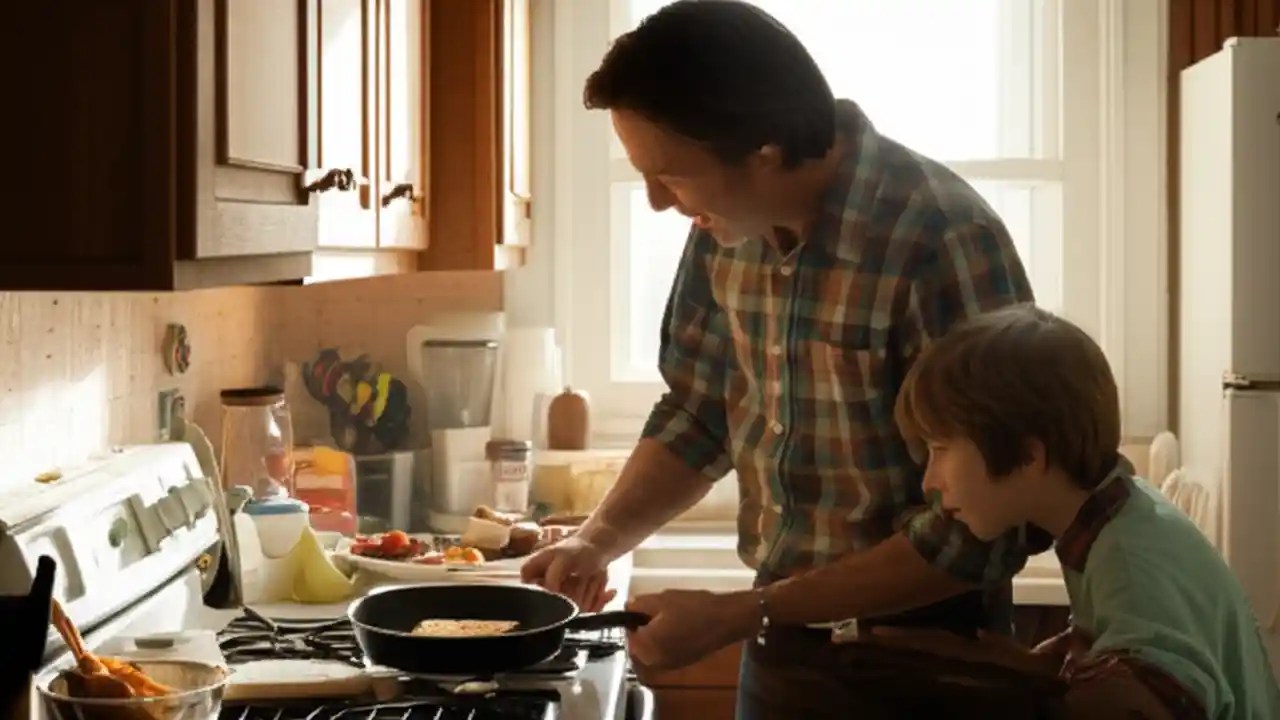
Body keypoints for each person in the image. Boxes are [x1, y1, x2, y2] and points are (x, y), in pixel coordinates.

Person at [522, 1, 1038, 716]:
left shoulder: (943, 239)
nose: (656, 204)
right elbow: (700, 411)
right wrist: (596, 540)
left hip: (923, 666)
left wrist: (745, 611)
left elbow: (981, 530)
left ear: (763, 151)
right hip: (783, 653)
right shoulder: (726, 223)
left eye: (670, 177)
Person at [873, 304, 1280, 718]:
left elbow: (1144, 701)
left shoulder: (1126, 558)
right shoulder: (1117, 519)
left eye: (940, 450)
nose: (930, 483)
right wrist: (1035, 664)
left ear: (1029, 457)